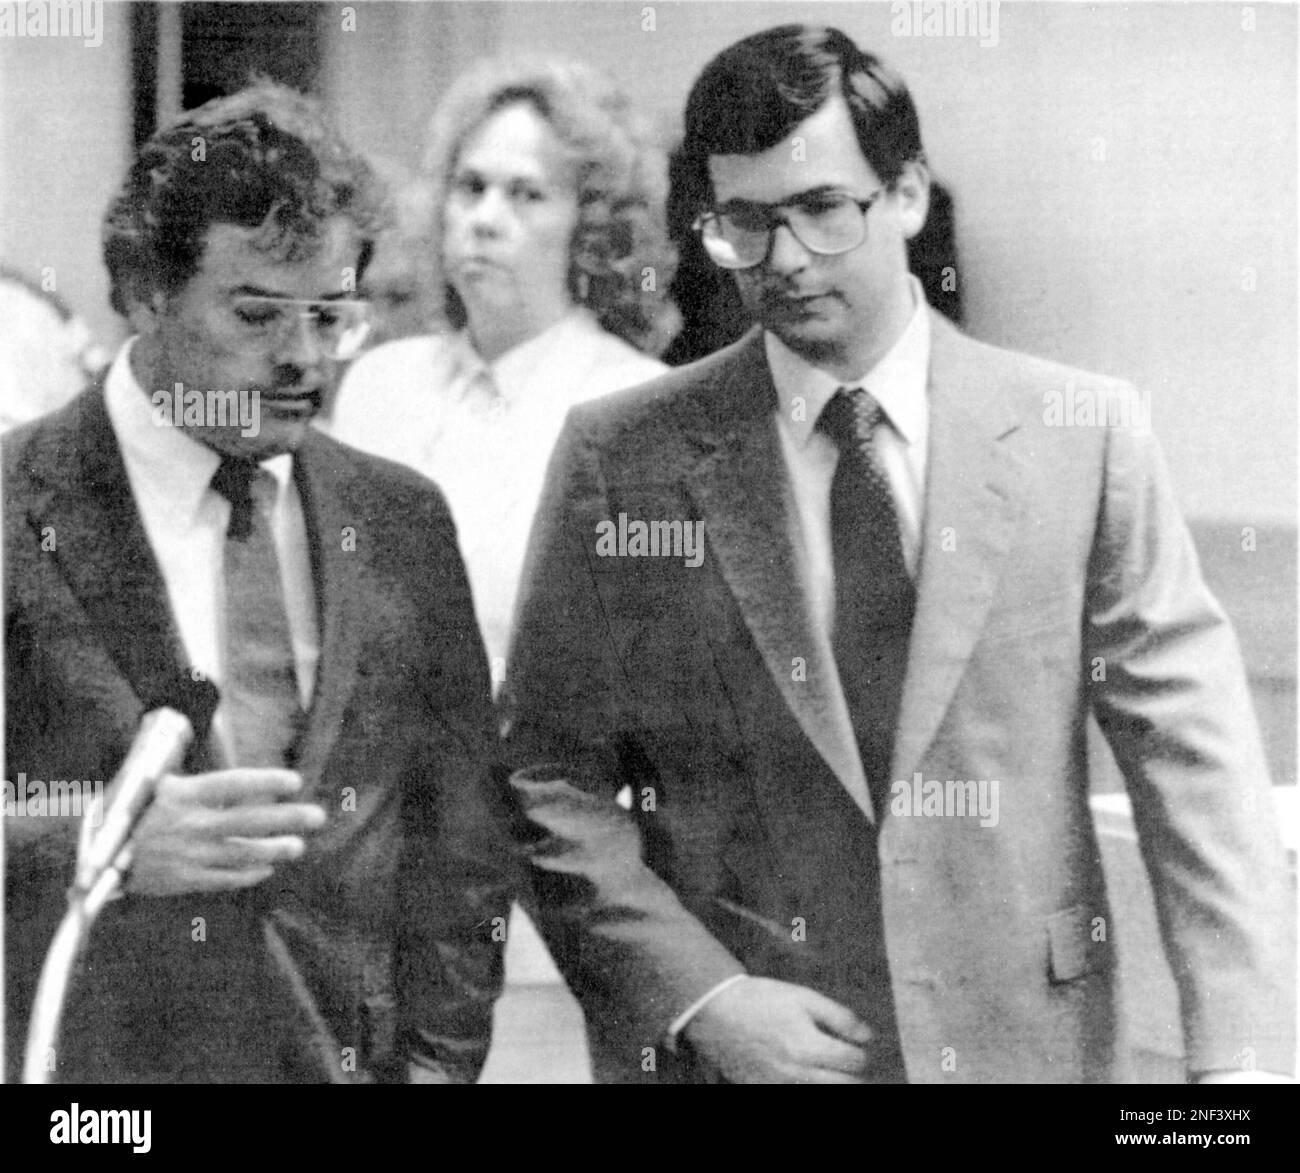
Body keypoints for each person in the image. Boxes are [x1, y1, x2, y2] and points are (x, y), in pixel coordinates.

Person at [501, 24, 1295, 1084]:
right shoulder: (622, 457)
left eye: (822, 210)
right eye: (745, 222)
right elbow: (545, 773)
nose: (783, 261)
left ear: (907, 195)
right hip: (742, 1060)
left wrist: (1242, 1064)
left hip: (1028, 1045)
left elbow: (1195, 767)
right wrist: (700, 995)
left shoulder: (1081, 434)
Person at [4, 81, 513, 1084]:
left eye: (331, 315)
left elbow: (460, 855)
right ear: (147, 291)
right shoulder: (12, 506)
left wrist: (435, 1071)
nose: (303, 359)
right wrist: (88, 849)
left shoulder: (401, 519)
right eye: (256, 315)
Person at [324, 57, 678, 686]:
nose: (484, 219)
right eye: (470, 187)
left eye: (526, 194)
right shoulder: (378, 384)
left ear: (591, 226)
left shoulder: (639, 403)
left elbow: (649, 667)